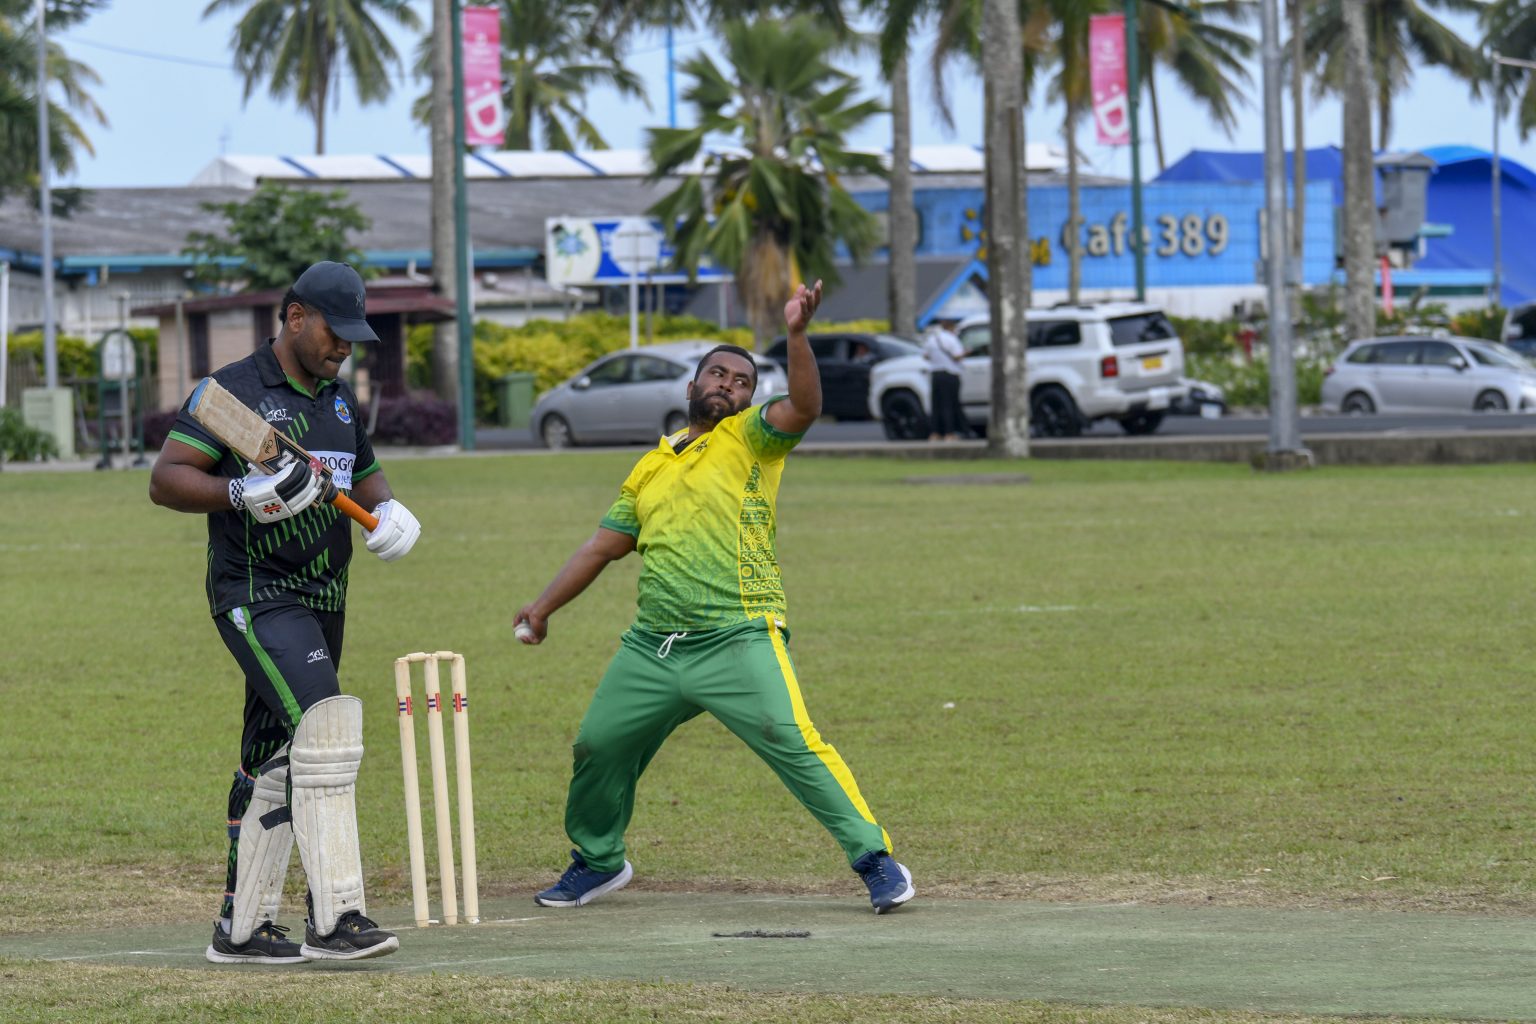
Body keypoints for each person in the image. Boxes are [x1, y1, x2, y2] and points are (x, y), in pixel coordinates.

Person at [514, 280, 914, 916]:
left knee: (793, 740)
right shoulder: (651, 465)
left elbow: (805, 405)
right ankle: (598, 861)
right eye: (718, 374)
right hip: (654, 646)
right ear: (691, 386)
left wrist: (798, 334)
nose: (728, 384)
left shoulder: (754, 439)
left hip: (739, 633)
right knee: (597, 745)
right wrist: (541, 608)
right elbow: (600, 548)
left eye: (742, 381)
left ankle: (876, 860)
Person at [149, 261, 421, 964]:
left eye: (355, 338)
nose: (345, 349)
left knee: (271, 755)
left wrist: (386, 510)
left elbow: (361, 473)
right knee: (326, 730)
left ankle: (240, 932)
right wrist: (242, 494)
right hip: (257, 592)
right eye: (337, 332)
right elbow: (168, 480)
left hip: (327, 596)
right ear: (296, 316)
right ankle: (336, 918)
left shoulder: (335, 398)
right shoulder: (233, 393)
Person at [922, 315, 966, 441]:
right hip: (950, 374)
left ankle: (935, 433)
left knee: (936, 405)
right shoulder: (952, 339)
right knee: (949, 404)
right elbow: (957, 356)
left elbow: (926, 356)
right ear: (951, 327)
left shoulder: (932, 339)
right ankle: (949, 432)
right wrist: (965, 353)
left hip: (936, 374)